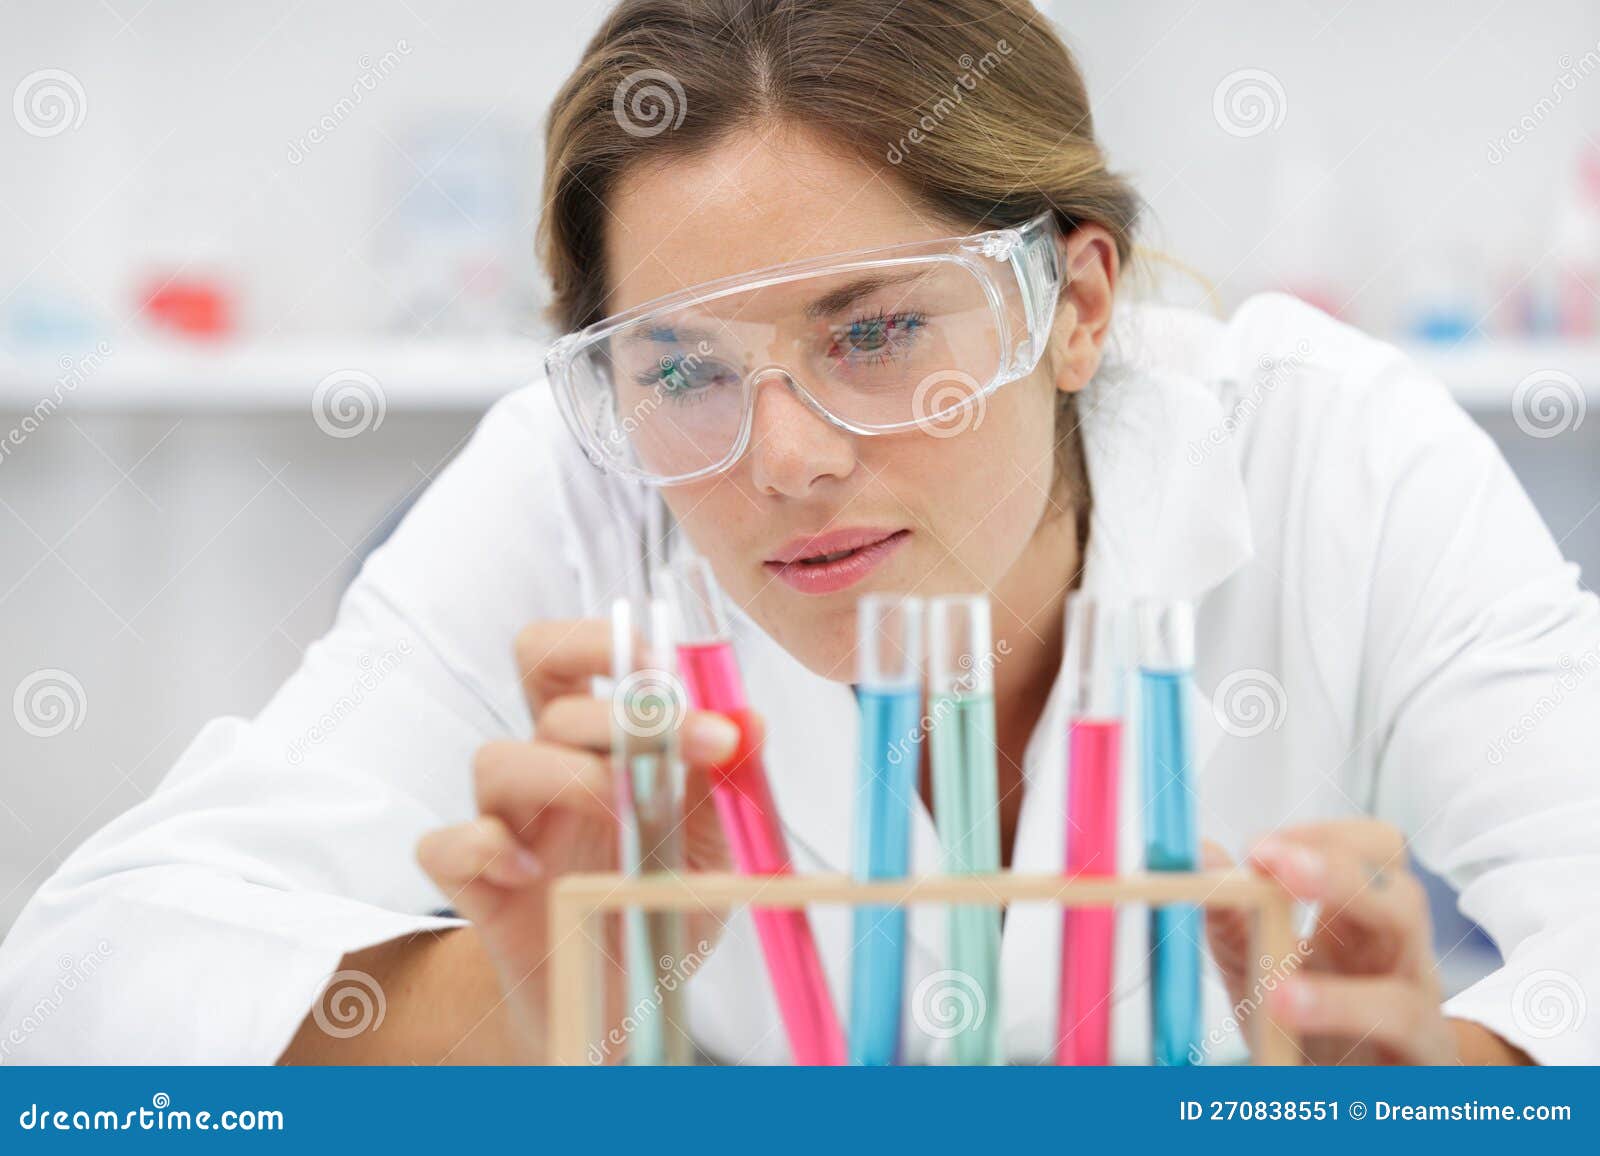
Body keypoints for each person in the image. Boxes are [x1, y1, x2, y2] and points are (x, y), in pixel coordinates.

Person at [3, 0, 1596, 1066]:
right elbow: (81, 981)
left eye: (878, 331)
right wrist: (512, 996)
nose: (786, 460)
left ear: (1077, 303)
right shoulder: (584, 487)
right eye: (686, 366)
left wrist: (1451, 1080)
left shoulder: (1336, 458)